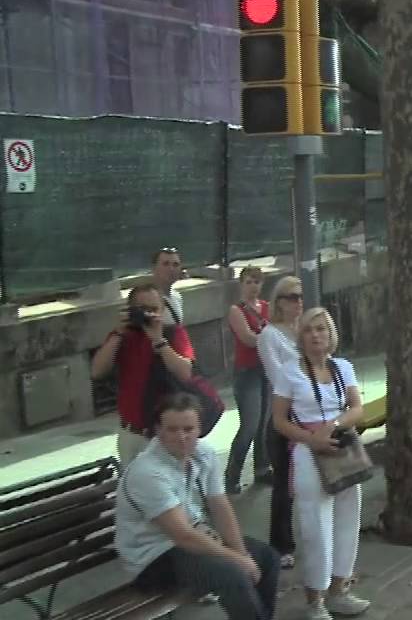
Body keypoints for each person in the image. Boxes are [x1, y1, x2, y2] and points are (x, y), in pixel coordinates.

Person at [117, 393, 280, 620]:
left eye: (188, 429)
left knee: (267, 558)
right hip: (153, 559)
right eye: (172, 429)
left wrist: (241, 552)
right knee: (232, 574)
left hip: (191, 542)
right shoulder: (148, 472)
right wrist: (238, 559)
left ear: (199, 429)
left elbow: (220, 505)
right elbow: (183, 536)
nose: (181, 437)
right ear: (158, 430)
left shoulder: (203, 454)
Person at [270, 308, 370, 620]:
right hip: (308, 451)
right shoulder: (289, 372)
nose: (316, 335)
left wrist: (334, 424)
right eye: (309, 330)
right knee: (316, 524)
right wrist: (311, 439)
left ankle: (340, 590)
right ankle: (315, 600)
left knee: (348, 517)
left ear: (331, 334)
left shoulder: (343, 367)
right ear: (300, 336)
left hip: (341, 449)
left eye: (321, 329)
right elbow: (279, 421)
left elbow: (357, 408)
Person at [91, 284, 195, 467]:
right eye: (142, 309)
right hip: (132, 434)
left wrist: (159, 340)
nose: (148, 314)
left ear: (162, 310)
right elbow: (97, 371)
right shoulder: (123, 337)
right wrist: (118, 333)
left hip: (165, 435)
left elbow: (185, 373)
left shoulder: (173, 333)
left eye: (153, 309)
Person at [258, 276, 305, 569]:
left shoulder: (306, 330)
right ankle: (281, 545)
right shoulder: (269, 335)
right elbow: (278, 378)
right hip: (285, 414)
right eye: (292, 297)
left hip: (312, 413)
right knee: (284, 483)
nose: (298, 302)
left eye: (300, 296)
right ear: (278, 302)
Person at [225, 267, 272, 494]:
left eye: (257, 282)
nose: (253, 286)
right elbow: (247, 338)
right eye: (249, 282)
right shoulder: (237, 310)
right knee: (250, 425)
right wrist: (270, 337)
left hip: (267, 369)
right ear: (241, 284)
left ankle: (262, 468)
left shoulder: (267, 307)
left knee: (265, 423)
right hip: (247, 372)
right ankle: (232, 475)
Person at [151, 248, 185, 326]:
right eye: (165, 264)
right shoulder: (146, 299)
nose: (171, 269)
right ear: (154, 268)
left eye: (175, 265)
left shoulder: (177, 297)